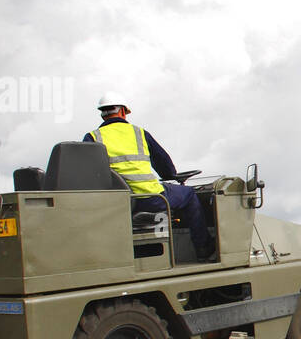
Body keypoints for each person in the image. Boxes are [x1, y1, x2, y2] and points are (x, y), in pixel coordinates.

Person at [84, 92, 215, 260]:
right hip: (151, 197)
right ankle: (203, 247)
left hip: (119, 203)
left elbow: (90, 172)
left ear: (102, 113)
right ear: (123, 112)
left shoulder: (93, 137)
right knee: (189, 195)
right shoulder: (139, 133)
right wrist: (170, 175)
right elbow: (164, 165)